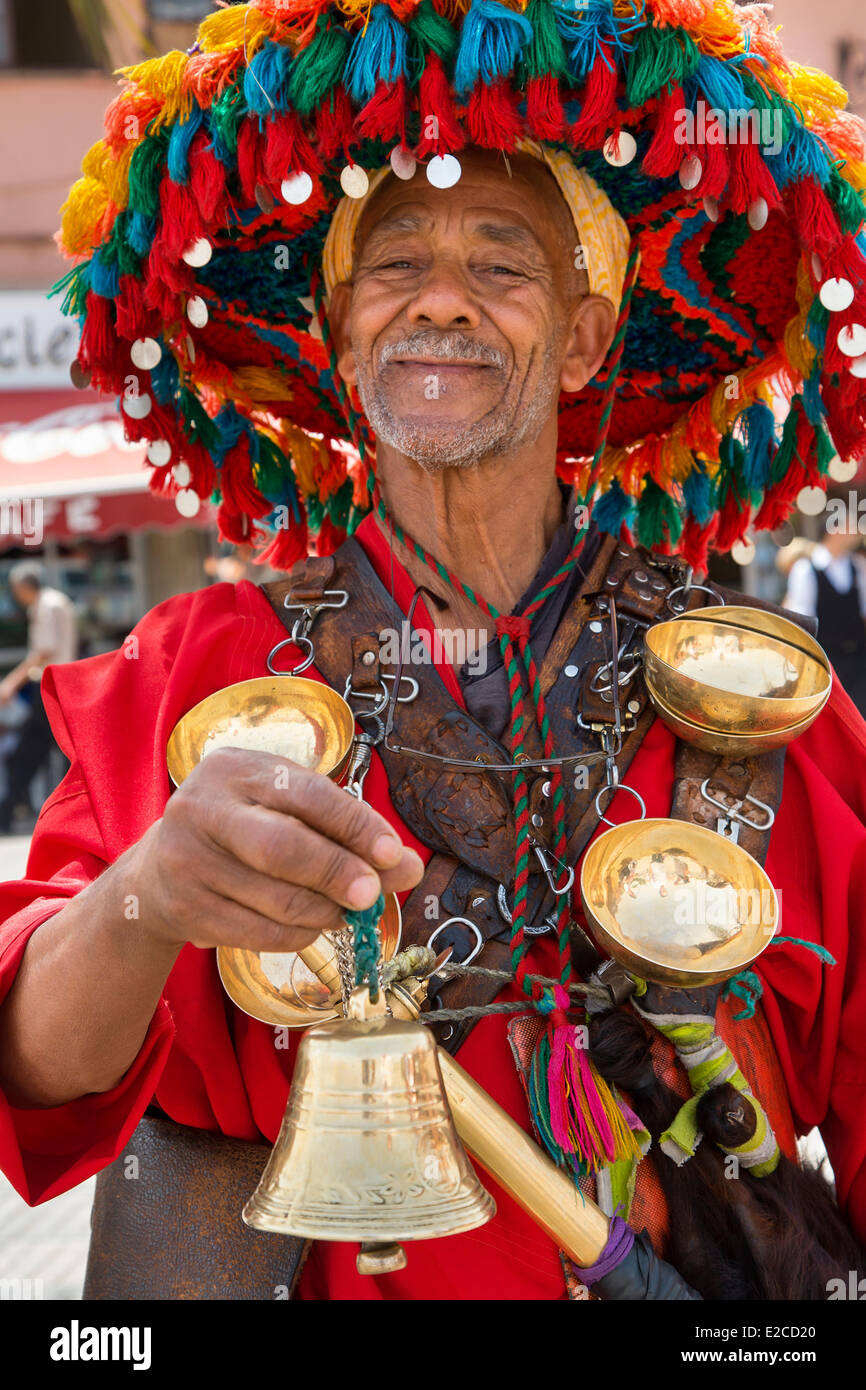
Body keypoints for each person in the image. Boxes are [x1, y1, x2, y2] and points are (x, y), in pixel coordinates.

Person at [0, 0, 865, 1303]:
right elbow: (35, 1071)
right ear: (342, 341)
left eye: (504, 264)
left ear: (582, 335)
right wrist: (147, 894)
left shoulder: (757, 707)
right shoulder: (198, 669)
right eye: (394, 266)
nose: (442, 301)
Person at [0, 561, 77, 833]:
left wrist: (11, 681)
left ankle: (8, 813)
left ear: (23, 586)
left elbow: (43, 651)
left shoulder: (46, 605)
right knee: (67, 755)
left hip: (49, 688)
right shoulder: (58, 601)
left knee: (29, 754)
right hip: (64, 685)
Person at [785, 511, 866, 716]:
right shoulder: (806, 569)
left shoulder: (859, 566)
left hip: (859, 663)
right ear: (833, 530)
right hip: (825, 664)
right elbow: (802, 622)